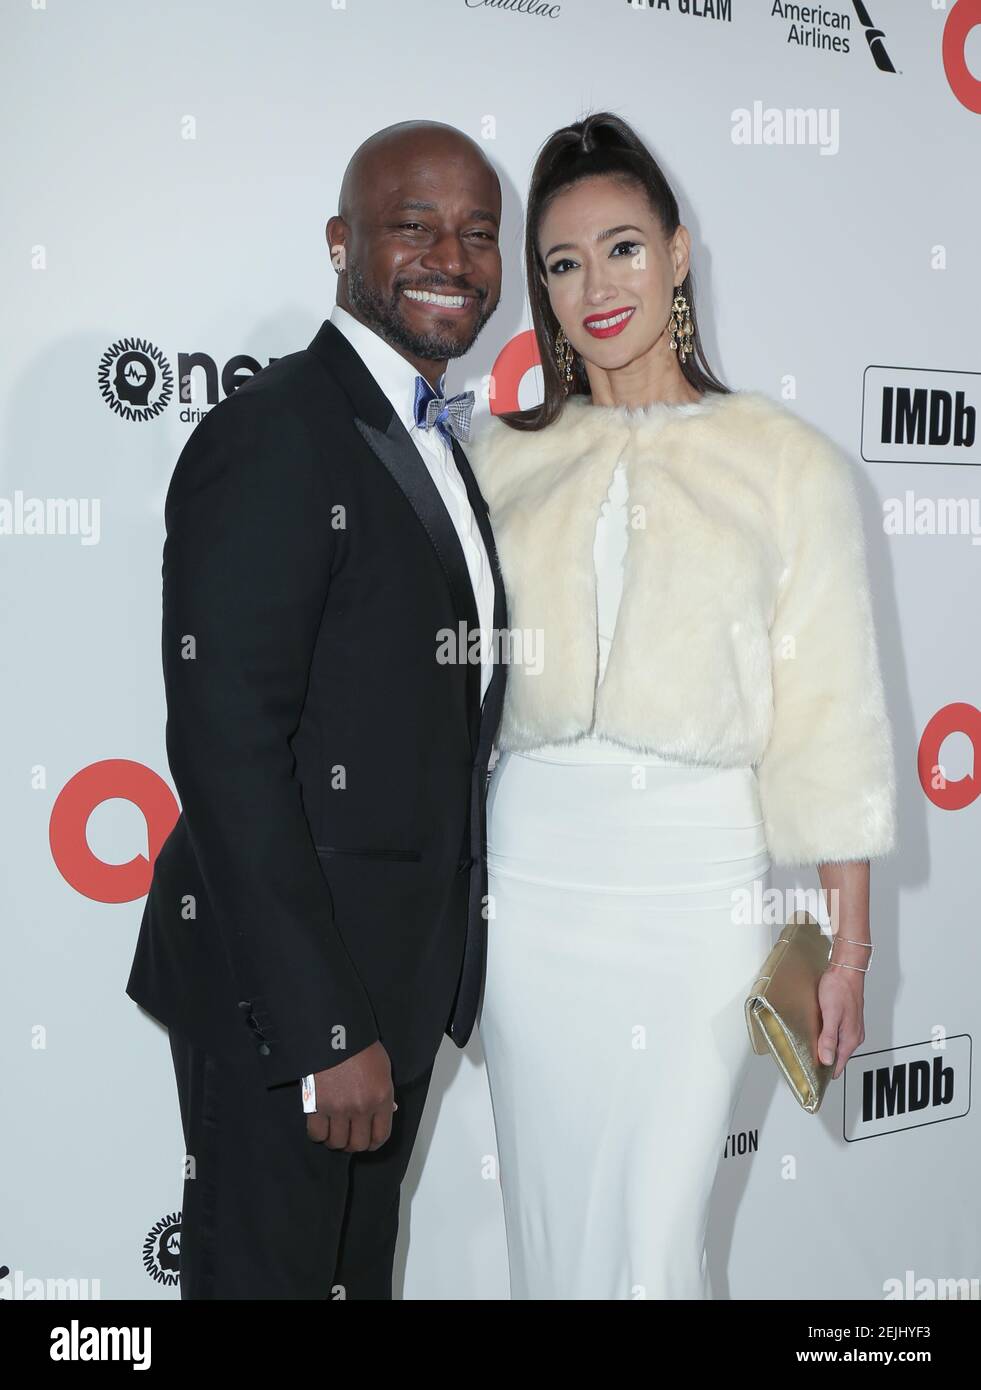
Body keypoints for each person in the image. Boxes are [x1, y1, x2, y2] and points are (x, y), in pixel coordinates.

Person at [468, 111, 898, 1300]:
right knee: (552, 1243)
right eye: (562, 262)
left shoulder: (785, 461)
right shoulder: (495, 461)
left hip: (694, 900)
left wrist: (848, 946)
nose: (596, 286)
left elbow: (832, 721)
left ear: (679, 249)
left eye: (622, 246)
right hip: (533, 896)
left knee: (657, 1246)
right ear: (540, 291)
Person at [126, 120, 508, 1299]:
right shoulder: (276, 431)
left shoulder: (434, 434)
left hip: (382, 985)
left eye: (480, 232)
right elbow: (228, 745)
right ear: (343, 241)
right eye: (414, 225)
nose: (453, 254)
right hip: (288, 1003)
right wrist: (322, 1030)